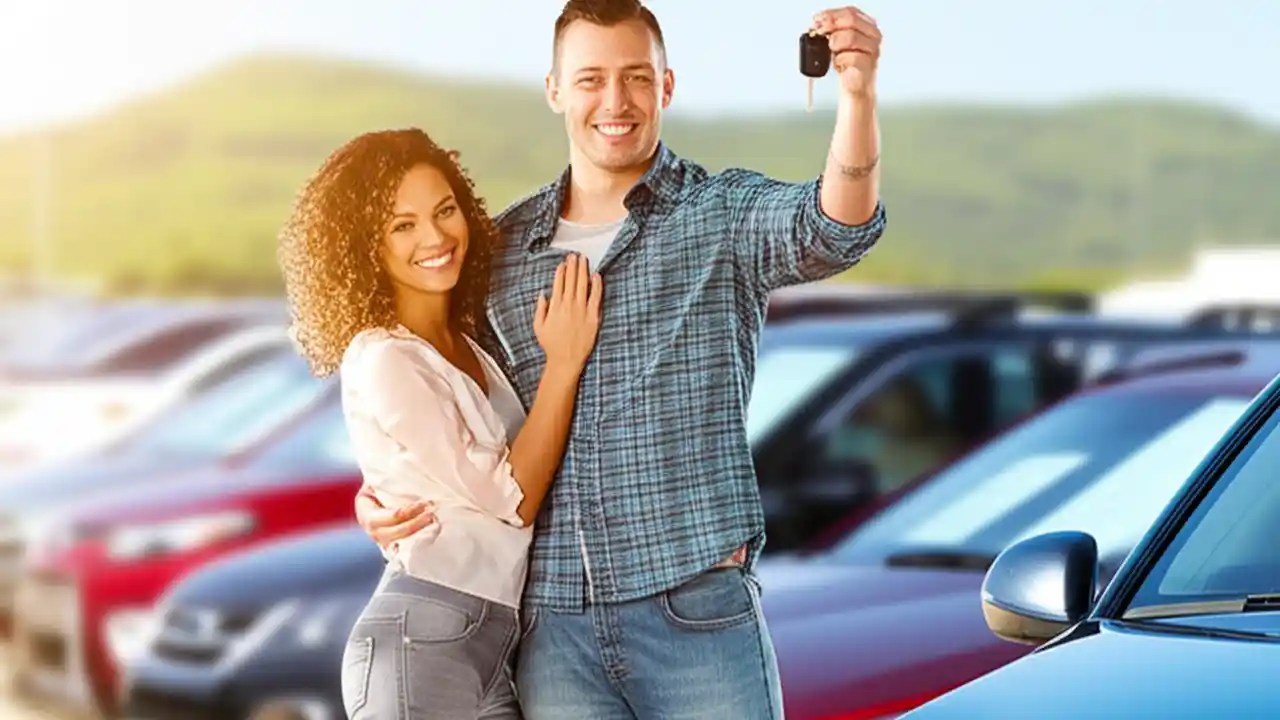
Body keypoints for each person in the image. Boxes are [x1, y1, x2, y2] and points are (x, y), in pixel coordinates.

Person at [356, 1, 887, 717]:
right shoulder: (501, 250)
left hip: (694, 617)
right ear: (554, 90)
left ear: (666, 86)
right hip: (552, 632)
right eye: (591, 79)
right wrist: (381, 488)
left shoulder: (720, 215)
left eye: (637, 77)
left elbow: (834, 225)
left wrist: (856, 96)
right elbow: (439, 395)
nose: (615, 101)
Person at [276, 128, 603, 719]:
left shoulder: (472, 348)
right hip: (418, 643)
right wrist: (564, 362)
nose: (434, 236)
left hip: (493, 644)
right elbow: (513, 499)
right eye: (402, 225)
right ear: (365, 246)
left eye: (444, 210)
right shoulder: (382, 357)